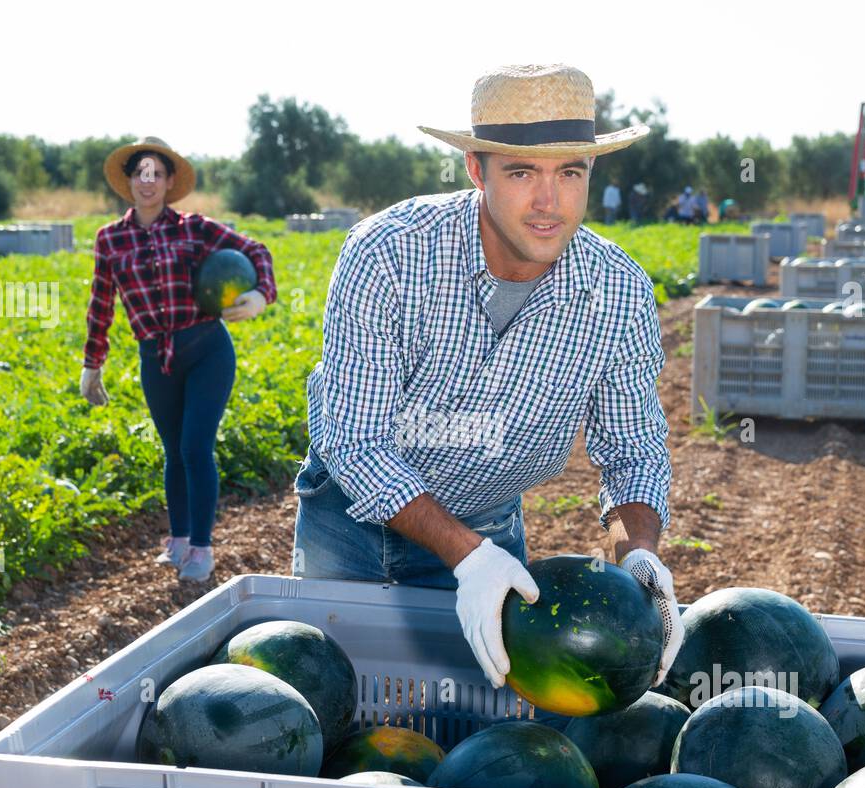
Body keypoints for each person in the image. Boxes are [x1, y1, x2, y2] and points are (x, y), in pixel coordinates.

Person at [293, 64, 683, 691]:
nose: (548, 202)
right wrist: (465, 557)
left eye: (570, 173)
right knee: (331, 700)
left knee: (474, 730)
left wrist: (638, 553)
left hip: (490, 534)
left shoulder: (619, 292)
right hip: (350, 532)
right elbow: (353, 440)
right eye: (523, 172)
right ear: (477, 170)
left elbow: (633, 451)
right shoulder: (389, 254)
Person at [79, 136, 277, 583]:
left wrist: (260, 294)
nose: (147, 181)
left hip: (206, 348)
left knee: (194, 447)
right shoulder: (110, 240)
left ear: (169, 182)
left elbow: (256, 251)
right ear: (129, 181)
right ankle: (180, 539)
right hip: (156, 358)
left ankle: (203, 549)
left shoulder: (195, 228)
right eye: (139, 173)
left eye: (156, 173)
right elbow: (100, 305)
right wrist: (93, 365)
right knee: (173, 452)